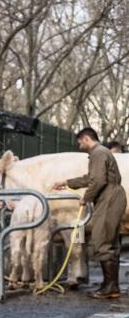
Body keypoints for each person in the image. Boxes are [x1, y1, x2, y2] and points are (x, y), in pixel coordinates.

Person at [50, 128, 125, 299]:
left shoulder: (98, 153)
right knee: (109, 241)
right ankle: (110, 285)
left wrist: (86, 197)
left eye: (80, 141)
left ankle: (110, 287)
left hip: (109, 197)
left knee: (102, 240)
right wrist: (67, 182)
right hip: (111, 196)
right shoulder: (101, 153)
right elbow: (91, 178)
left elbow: (98, 181)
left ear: (86, 139)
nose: (79, 145)